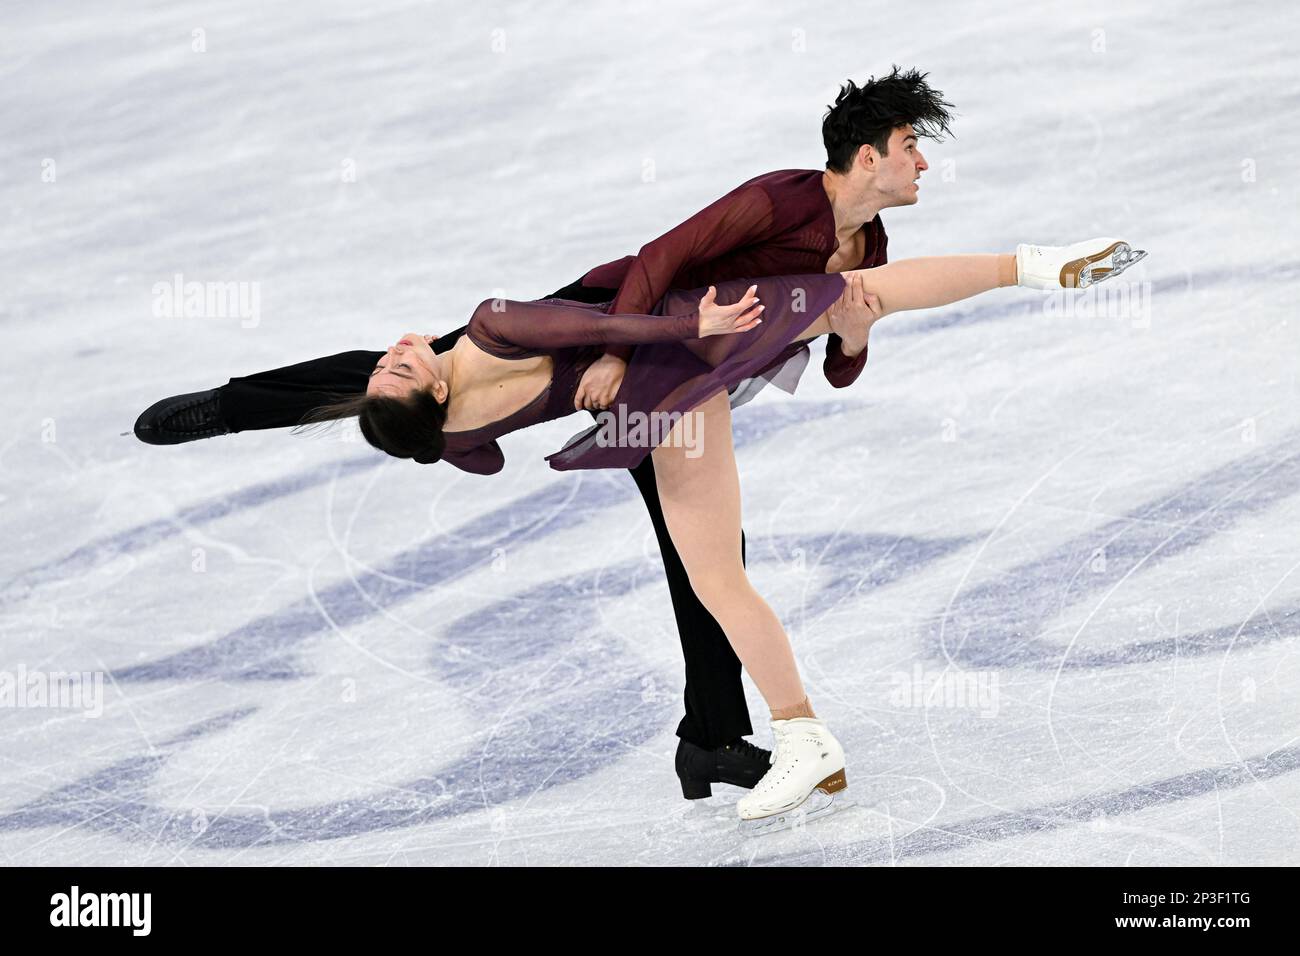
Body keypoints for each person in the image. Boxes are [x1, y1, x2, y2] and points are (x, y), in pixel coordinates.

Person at [134, 67, 953, 801]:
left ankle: (709, 740)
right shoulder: (782, 197)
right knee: (410, 372)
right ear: (868, 155)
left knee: (705, 562)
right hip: (605, 324)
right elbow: (659, 257)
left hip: (670, 380)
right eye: (911, 145)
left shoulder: (869, 246)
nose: (924, 163)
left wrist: (854, 331)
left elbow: (841, 364)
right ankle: (232, 405)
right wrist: (610, 345)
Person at [298, 236, 1149, 828]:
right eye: (397, 365)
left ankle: (798, 735)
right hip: (676, 363)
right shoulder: (491, 324)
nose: (396, 348)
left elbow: (492, 449)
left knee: (717, 576)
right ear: (432, 397)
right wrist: (688, 331)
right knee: (853, 312)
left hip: (667, 388)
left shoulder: (453, 437)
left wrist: (424, 418)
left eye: (384, 361)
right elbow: (598, 329)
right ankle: (1029, 267)